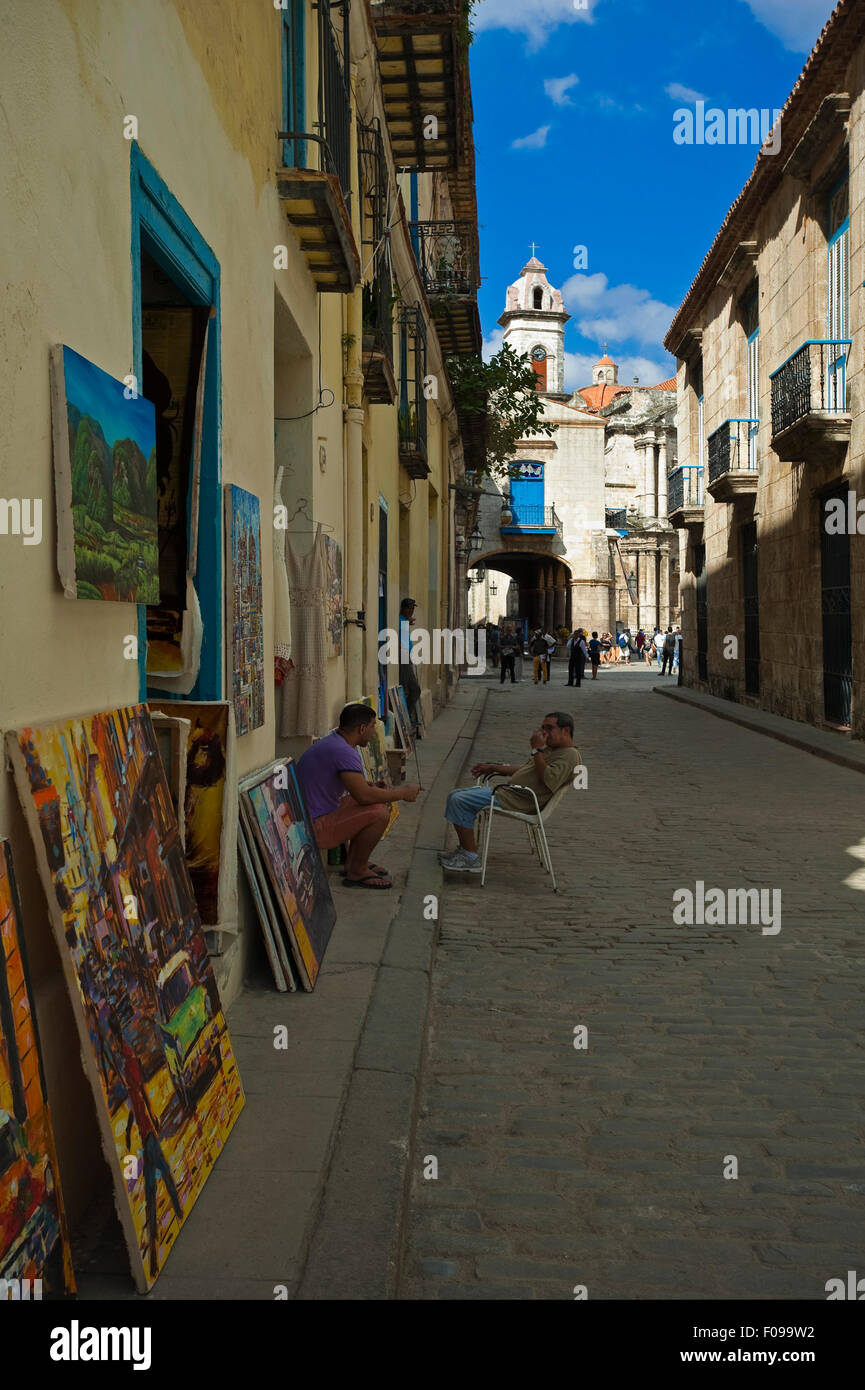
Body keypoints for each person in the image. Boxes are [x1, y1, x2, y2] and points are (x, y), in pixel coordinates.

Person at [295, 703, 420, 889]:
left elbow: (358, 788)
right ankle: (357, 870)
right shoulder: (344, 751)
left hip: (314, 813)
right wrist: (402, 793)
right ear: (362, 728)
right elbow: (363, 796)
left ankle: (355, 862)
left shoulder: (335, 742)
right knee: (379, 813)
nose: (372, 732)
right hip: (312, 825)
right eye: (372, 727)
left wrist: (374, 789)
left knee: (379, 801)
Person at [439, 712, 582, 873]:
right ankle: (464, 850)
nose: (544, 732)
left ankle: (470, 858)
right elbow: (525, 770)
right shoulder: (551, 750)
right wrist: (493, 767)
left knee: (460, 800)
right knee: (454, 795)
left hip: (520, 800)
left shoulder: (570, 755)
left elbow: (549, 779)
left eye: (549, 728)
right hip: (511, 794)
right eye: (542, 727)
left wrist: (536, 751)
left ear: (565, 731)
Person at [109, 1014, 183, 1280]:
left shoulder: (128, 1063)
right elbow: (135, 1099)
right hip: (144, 1131)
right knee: (157, 1176)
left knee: (155, 1179)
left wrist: (151, 1119)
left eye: (114, 1042)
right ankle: (173, 1213)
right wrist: (131, 1130)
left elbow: (139, 1092)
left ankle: (155, 1238)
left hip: (148, 1132)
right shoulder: (127, 1067)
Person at [398, 597, 422, 739]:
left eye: (412, 608)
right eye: (409, 608)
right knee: (410, 689)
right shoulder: (399, 620)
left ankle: (407, 716)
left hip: (408, 657)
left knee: (414, 690)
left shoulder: (404, 620)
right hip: (402, 658)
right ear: (403, 608)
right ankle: (405, 718)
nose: (411, 611)